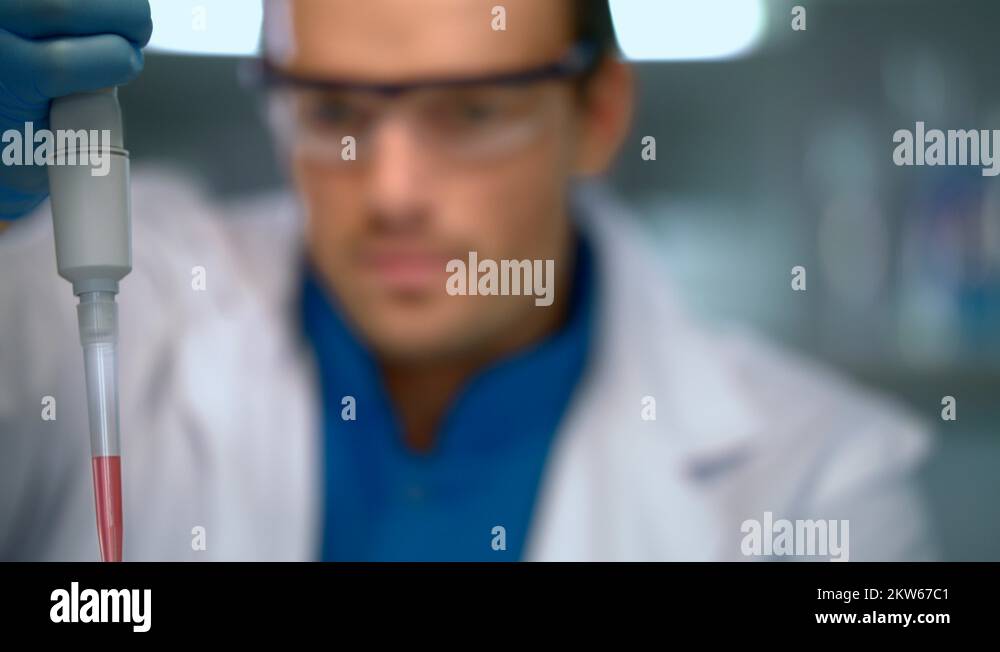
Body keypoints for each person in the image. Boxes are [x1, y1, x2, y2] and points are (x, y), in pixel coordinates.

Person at [0, 0, 934, 561]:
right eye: (332, 110)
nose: (393, 193)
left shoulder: (821, 480)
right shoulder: (116, 301)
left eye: (474, 111)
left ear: (600, 112)